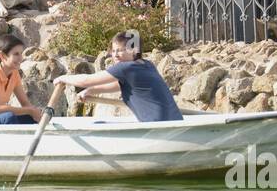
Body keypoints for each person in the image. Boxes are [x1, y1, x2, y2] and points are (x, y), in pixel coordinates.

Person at [54, 31, 183, 122]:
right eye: (114, 51)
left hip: (158, 125)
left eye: (120, 50)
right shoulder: (146, 65)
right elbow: (120, 85)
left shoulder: (126, 67)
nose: (115, 55)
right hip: (174, 121)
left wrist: (63, 78)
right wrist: (92, 91)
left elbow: (87, 80)